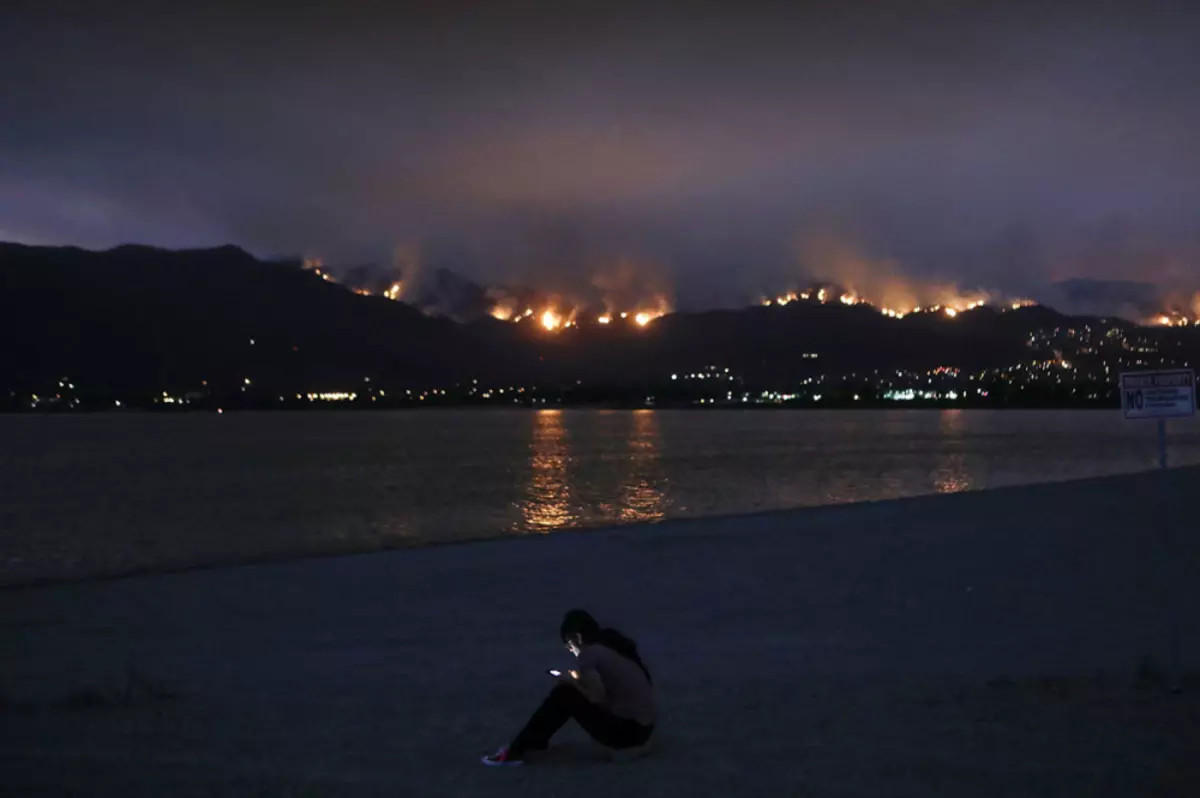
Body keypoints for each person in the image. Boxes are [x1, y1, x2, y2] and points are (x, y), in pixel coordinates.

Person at [482, 609, 656, 766]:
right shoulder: (611, 648)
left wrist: (572, 683)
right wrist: (579, 681)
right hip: (643, 729)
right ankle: (534, 741)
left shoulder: (588, 654)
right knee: (568, 692)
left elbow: (597, 698)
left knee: (564, 694)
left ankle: (522, 748)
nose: (570, 651)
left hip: (628, 733)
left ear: (577, 638)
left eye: (568, 645)